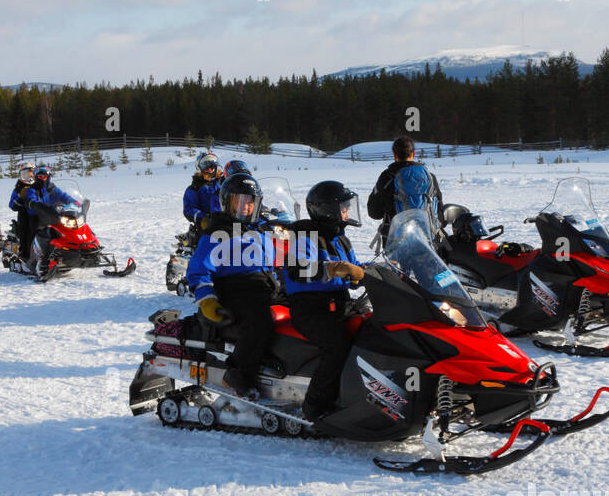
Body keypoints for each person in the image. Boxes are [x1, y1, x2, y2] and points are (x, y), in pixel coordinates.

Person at [186, 173, 276, 395]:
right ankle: (236, 374)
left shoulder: (259, 229)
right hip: (235, 289)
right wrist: (207, 300)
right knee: (261, 320)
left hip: (265, 286)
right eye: (240, 201)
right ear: (227, 202)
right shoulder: (219, 232)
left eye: (250, 201)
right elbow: (198, 270)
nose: (245, 207)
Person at [284, 181, 365, 420]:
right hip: (311, 309)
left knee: (371, 330)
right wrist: (336, 269)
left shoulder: (341, 240)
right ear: (328, 210)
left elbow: (354, 270)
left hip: (338, 305)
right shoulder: (305, 237)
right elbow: (299, 269)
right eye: (344, 208)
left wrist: (378, 272)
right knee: (337, 346)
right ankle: (315, 405)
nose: (348, 213)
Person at [366, 137, 445, 246]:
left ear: (394, 155)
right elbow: (441, 215)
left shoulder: (387, 177)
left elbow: (374, 212)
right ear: (414, 153)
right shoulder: (429, 177)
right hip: (429, 243)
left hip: (397, 246)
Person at [183, 152, 222, 232]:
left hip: (228, 220)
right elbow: (189, 209)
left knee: (239, 239)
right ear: (200, 167)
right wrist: (203, 218)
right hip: (208, 225)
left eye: (212, 165)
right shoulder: (195, 188)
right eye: (206, 165)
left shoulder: (224, 182)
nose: (210, 168)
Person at [8, 163, 37, 260]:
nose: (28, 176)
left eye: (30, 173)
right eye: (25, 174)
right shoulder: (19, 188)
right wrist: (20, 197)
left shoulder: (39, 185)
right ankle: (25, 253)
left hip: (39, 212)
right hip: (25, 214)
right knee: (26, 231)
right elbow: (12, 205)